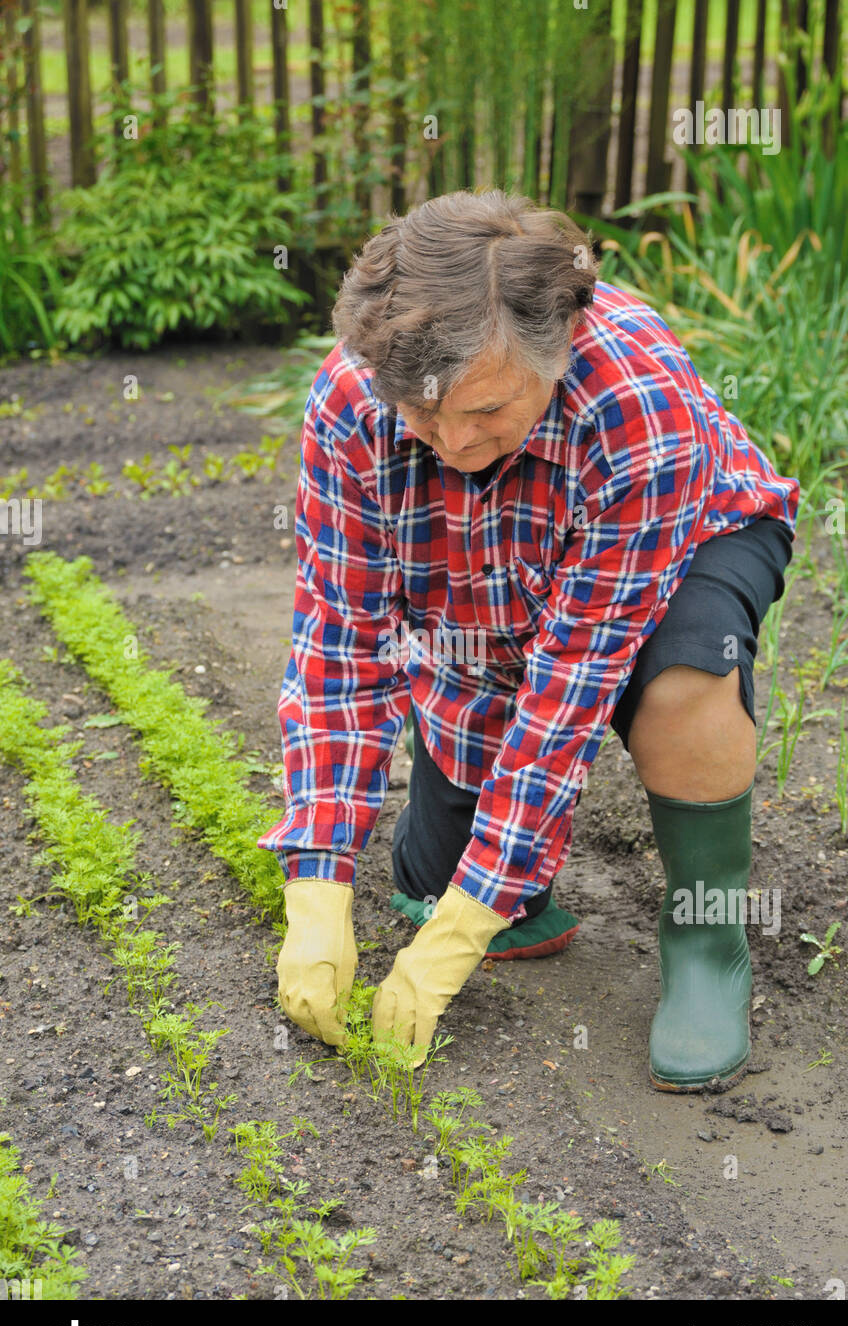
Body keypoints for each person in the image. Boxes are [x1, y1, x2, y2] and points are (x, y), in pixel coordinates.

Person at [258, 189, 799, 1092]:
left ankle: (706, 939)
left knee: (680, 683)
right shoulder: (354, 398)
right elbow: (340, 644)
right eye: (424, 417)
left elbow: (571, 685)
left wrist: (459, 934)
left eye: (485, 412)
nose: (452, 441)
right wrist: (316, 883)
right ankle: (499, 887)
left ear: (555, 355)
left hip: (686, 541)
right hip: (486, 593)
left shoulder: (633, 400)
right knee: (436, 881)